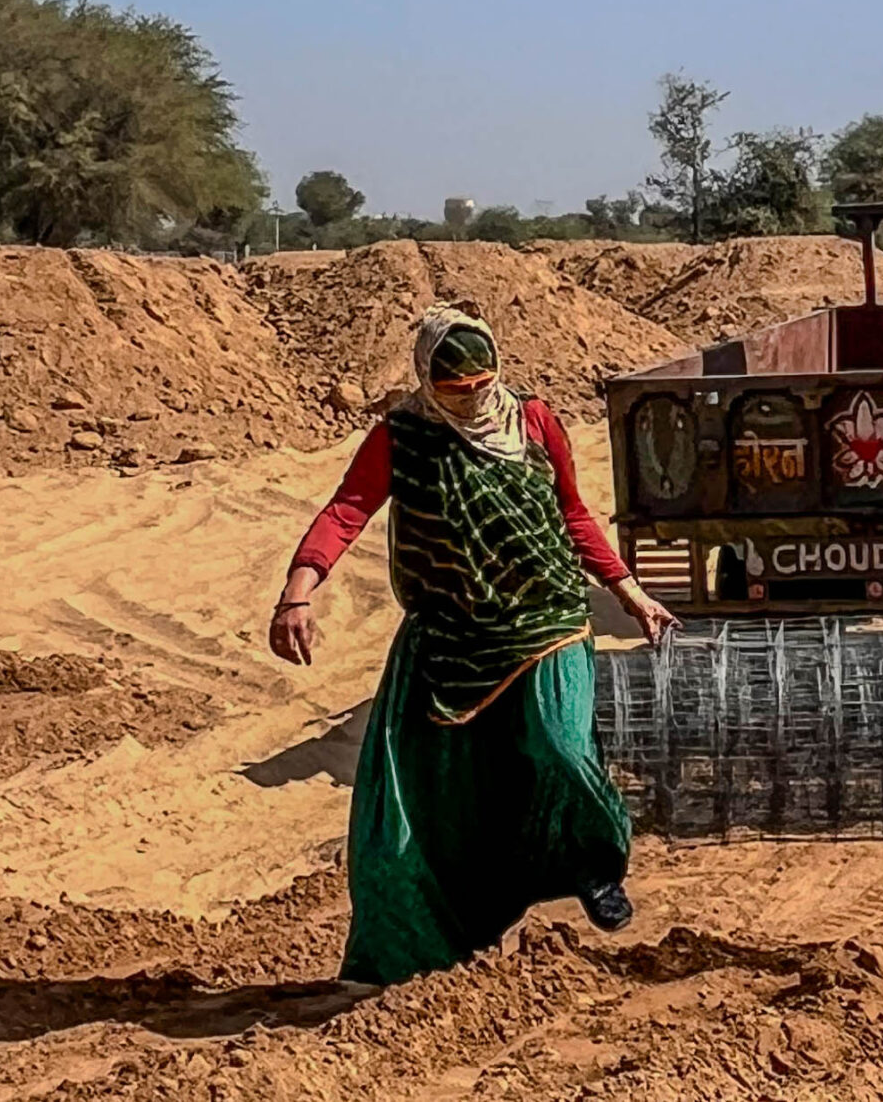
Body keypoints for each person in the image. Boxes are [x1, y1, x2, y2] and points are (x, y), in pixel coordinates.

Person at [272, 305, 679, 984]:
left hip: (549, 620)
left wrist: (630, 592)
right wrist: (298, 591)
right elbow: (348, 510)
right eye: (454, 390)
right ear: (427, 382)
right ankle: (423, 946)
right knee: (424, 803)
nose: (470, 400)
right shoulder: (403, 437)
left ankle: (595, 867)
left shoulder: (534, 422)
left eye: (481, 385)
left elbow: (571, 512)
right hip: (450, 637)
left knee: (561, 747)